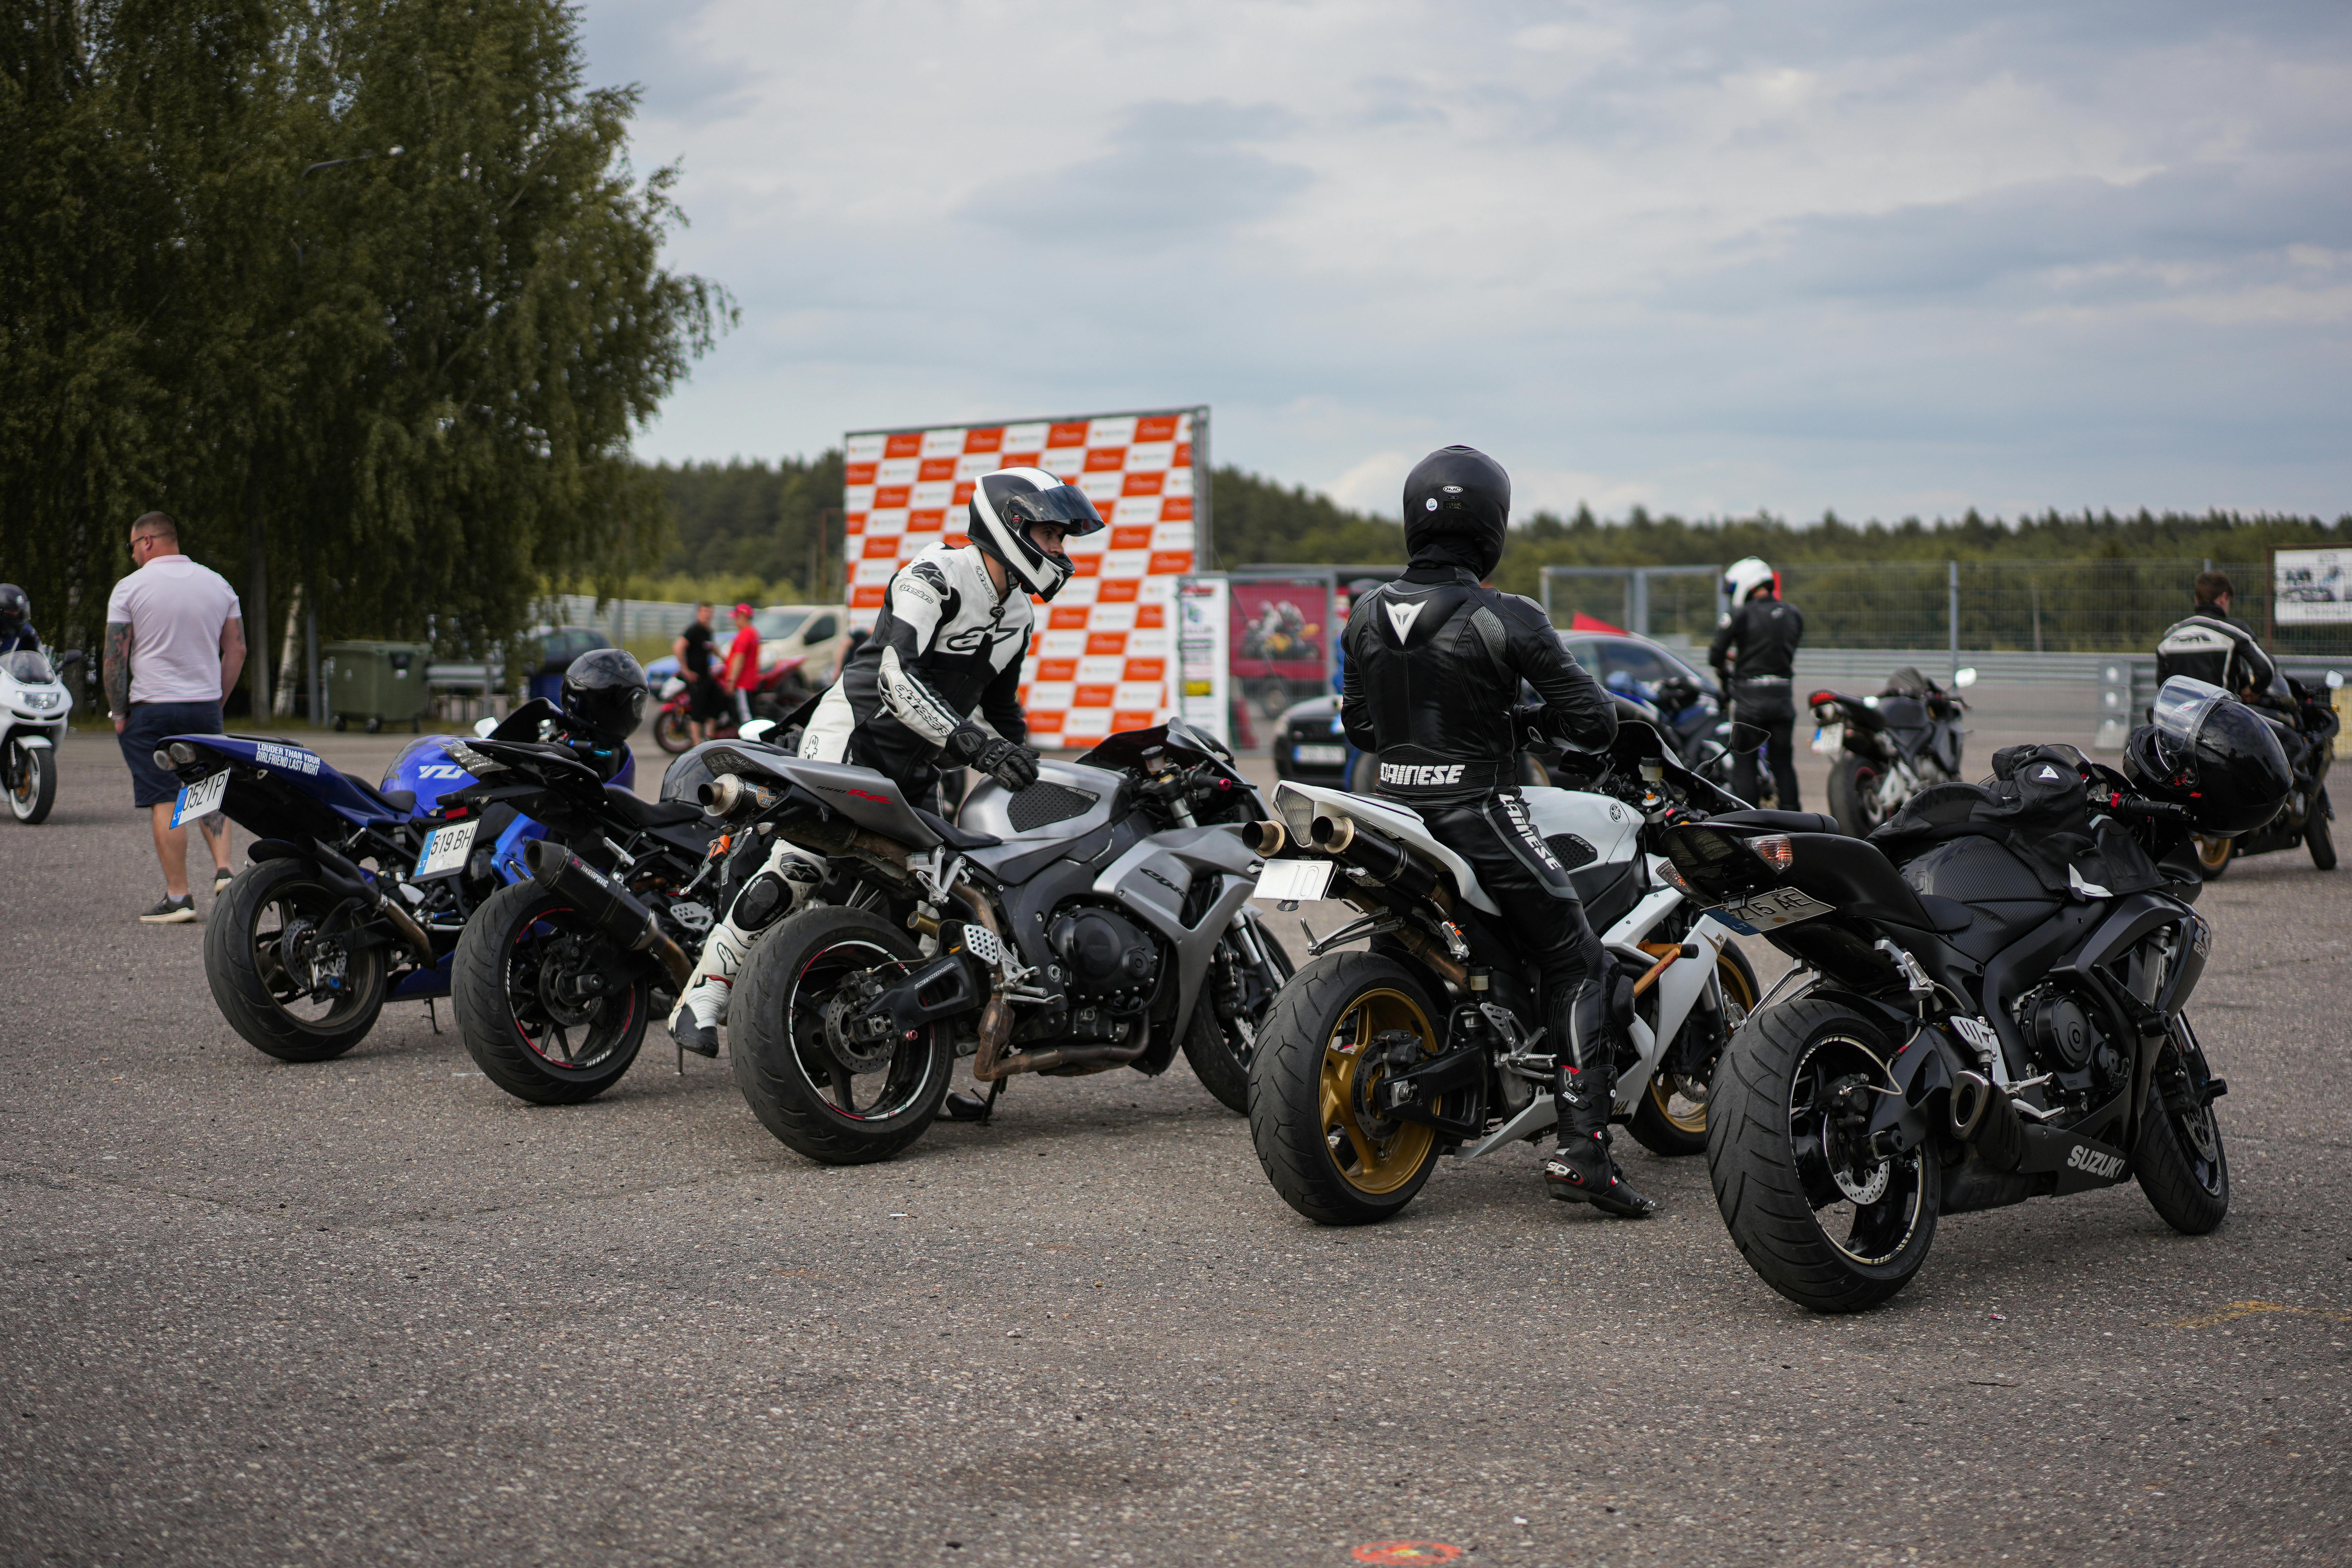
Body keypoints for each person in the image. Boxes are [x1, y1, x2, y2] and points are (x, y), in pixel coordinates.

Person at [667, 467, 1100, 1065]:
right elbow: (897, 681)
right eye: (1051, 535)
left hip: (918, 768)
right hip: (851, 740)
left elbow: (1002, 711)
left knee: (934, 897)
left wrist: (1028, 766)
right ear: (1011, 526)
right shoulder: (934, 575)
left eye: (1061, 539)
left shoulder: (1019, 616)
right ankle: (703, 994)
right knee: (802, 860)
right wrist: (980, 749)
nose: (1059, 550)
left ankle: (909, 1044)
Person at [1340, 445, 1653, 1217]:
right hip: (1476, 809)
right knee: (1579, 959)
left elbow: (1362, 728)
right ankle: (1585, 1149)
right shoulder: (1504, 613)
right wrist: (1523, 722)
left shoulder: (1363, 612)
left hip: (1393, 814)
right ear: (1491, 524)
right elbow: (1592, 721)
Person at [103, 512, 244, 923]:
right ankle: (224, 871)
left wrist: (118, 711)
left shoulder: (130, 588)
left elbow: (115, 657)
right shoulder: (218, 584)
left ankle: (179, 897)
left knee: (165, 796)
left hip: (152, 708)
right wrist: (217, 700)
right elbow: (237, 649)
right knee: (208, 786)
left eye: (132, 546)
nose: (132, 555)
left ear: (147, 541)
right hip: (203, 705)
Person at [1709, 556, 1804, 810]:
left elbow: (1715, 656)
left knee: (1745, 762)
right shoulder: (1794, 614)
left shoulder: (1740, 614)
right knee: (1783, 763)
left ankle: (1750, 822)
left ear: (1745, 582)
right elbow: (1777, 650)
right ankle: (1796, 823)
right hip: (1783, 698)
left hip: (1750, 700)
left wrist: (1730, 666)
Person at [673, 601, 722, 744]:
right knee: (697, 709)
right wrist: (686, 670)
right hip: (695, 678)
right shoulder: (694, 630)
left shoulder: (708, 631)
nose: (707, 615)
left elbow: (712, 648)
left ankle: (709, 737)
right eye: (705, 612)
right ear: (698, 614)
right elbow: (678, 647)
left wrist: (725, 659)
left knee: (718, 699)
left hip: (706, 676)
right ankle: (697, 744)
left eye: (710, 613)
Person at [720, 602, 761, 727]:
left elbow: (739, 659)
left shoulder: (745, 634)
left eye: (737, 617)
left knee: (745, 716)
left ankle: (749, 738)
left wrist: (731, 681)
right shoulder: (752, 633)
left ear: (744, 617)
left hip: (743, 682)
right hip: (748, 681)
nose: (735, 621)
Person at [0, 584, 41, 653]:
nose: (17, 614)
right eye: (12, 611)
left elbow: (40, 658)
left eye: (19, 611)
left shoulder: (27, 633)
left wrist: (33, 650)